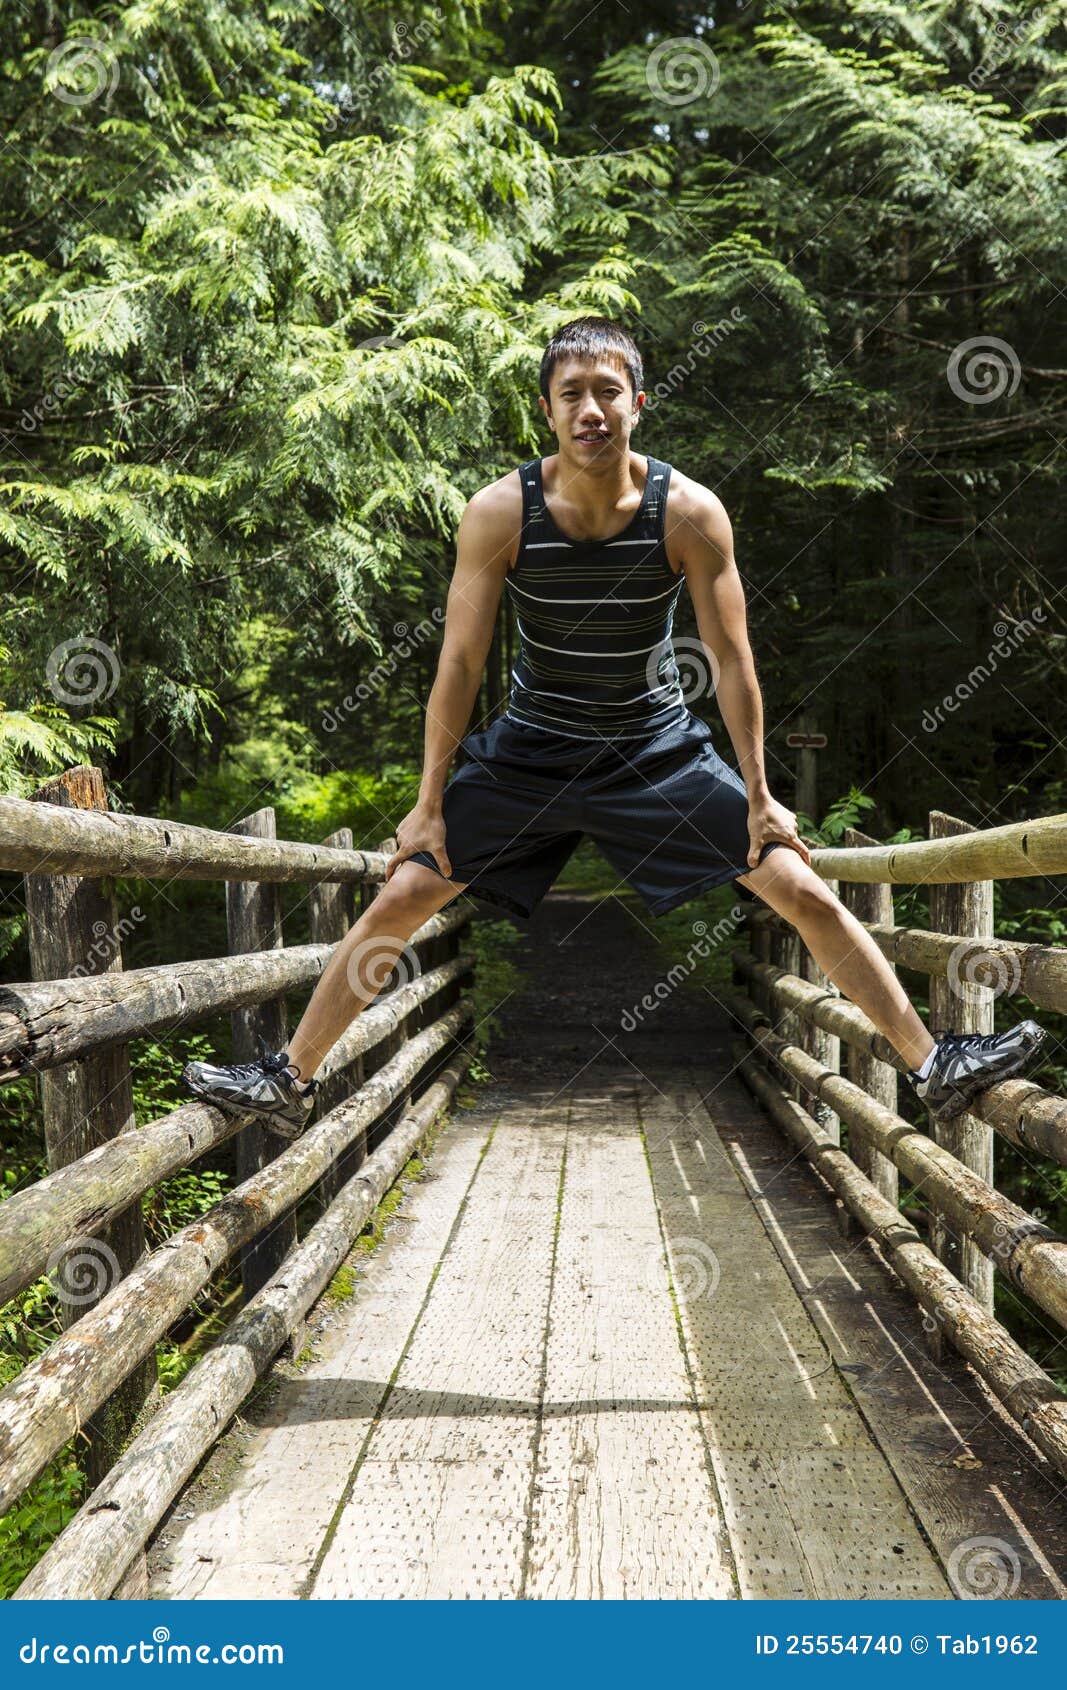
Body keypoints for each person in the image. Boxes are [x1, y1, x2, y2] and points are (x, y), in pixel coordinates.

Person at [182, 316, 1045, 1137]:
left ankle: (933, 1064)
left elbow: (734, 661)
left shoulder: (689, 513)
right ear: (547, 408)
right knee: (406, 889)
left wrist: (760, 796)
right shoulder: (499, 512)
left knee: (798, 884)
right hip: (531, 751)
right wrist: (427, 804)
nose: (589, 410)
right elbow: (458, 664)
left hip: (653, 751)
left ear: (639, 401)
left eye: (606, 390)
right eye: (569, 394)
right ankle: (284, 1080)